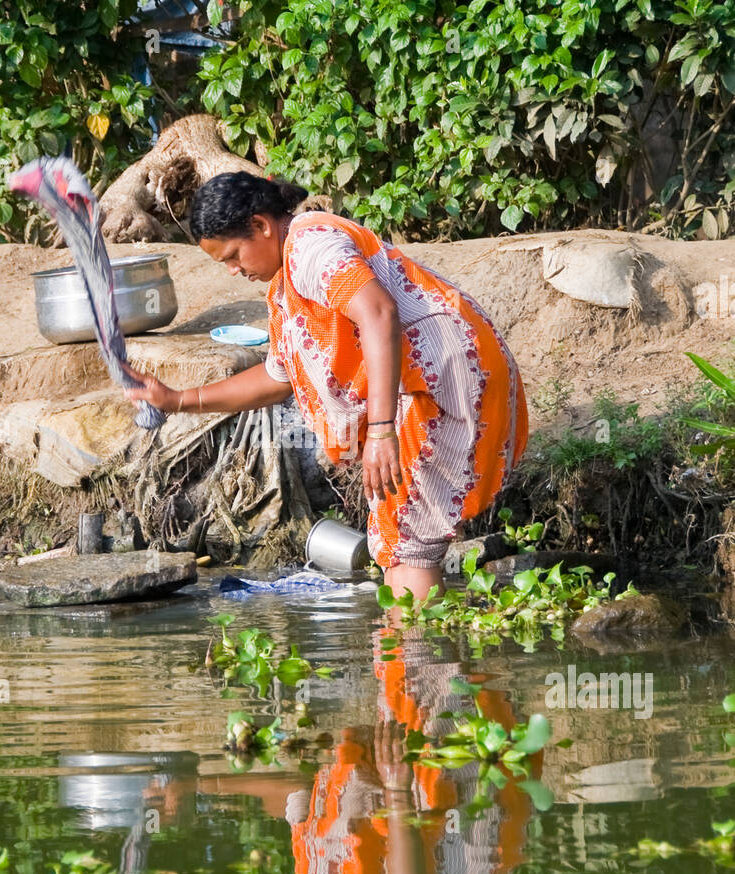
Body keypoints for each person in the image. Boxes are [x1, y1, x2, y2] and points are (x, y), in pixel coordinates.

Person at [125, 172, 527, 597]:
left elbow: (378, 313)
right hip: (426, 385)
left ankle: (414, 657)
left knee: (406, 544)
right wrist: (177, 400)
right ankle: (421, 653)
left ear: (261, 226)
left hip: (442, 381)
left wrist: (381, 430)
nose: (232, 270)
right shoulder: (286, 284)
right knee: (400, 538)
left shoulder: (311, 246)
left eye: (233, 255)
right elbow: (276, 378)